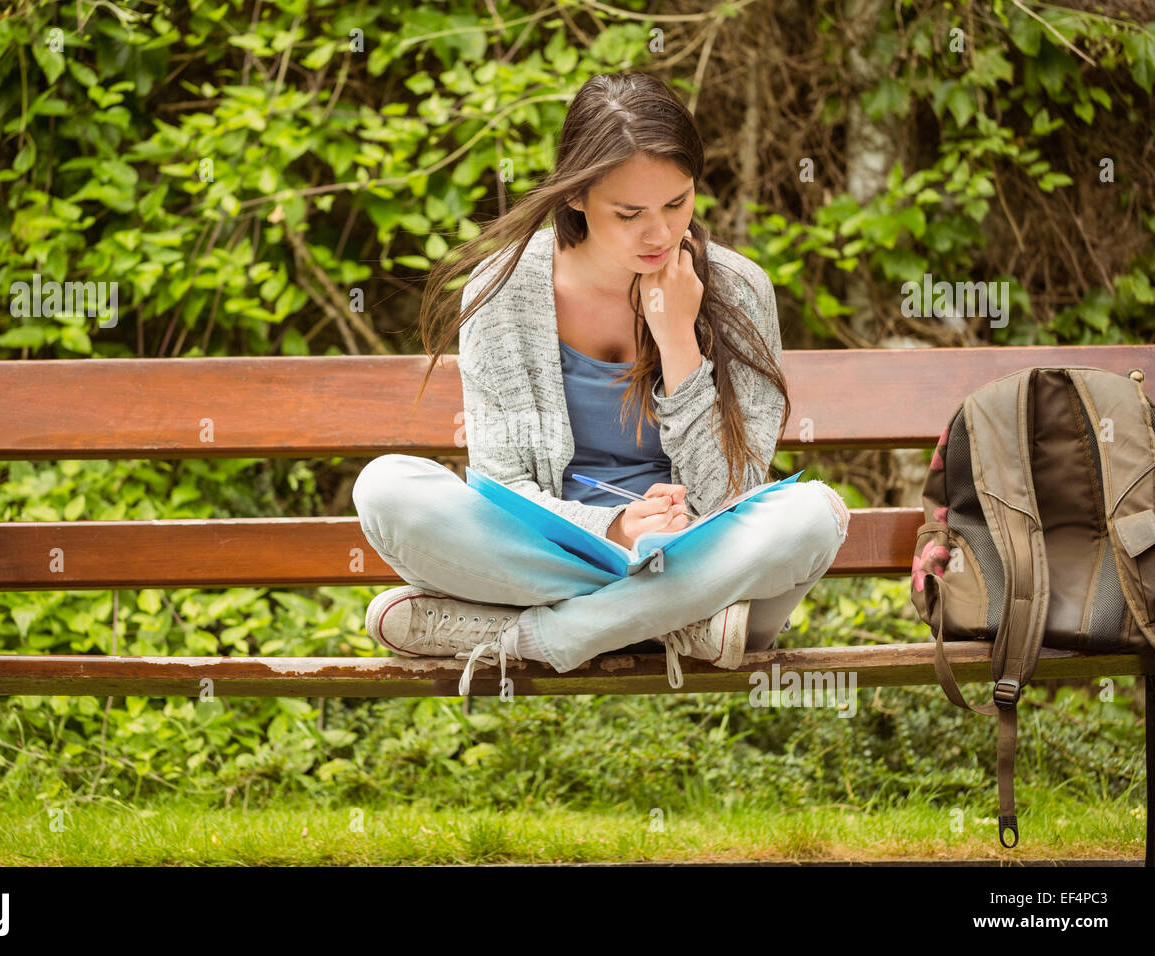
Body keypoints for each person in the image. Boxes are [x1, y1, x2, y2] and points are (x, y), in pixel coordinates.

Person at [352, 71, 850, 696]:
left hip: (697, 549)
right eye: (630, 212)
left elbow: (732, 492)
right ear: (576, 196)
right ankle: (674, 621)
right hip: (569, 554)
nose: (661, 234)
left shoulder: (738, 289)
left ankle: (544, 638)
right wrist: (616, 530)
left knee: (813, 515)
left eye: (678, 203)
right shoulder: (502, 292)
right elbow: (506, 486)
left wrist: (678, 344)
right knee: (388, 489)